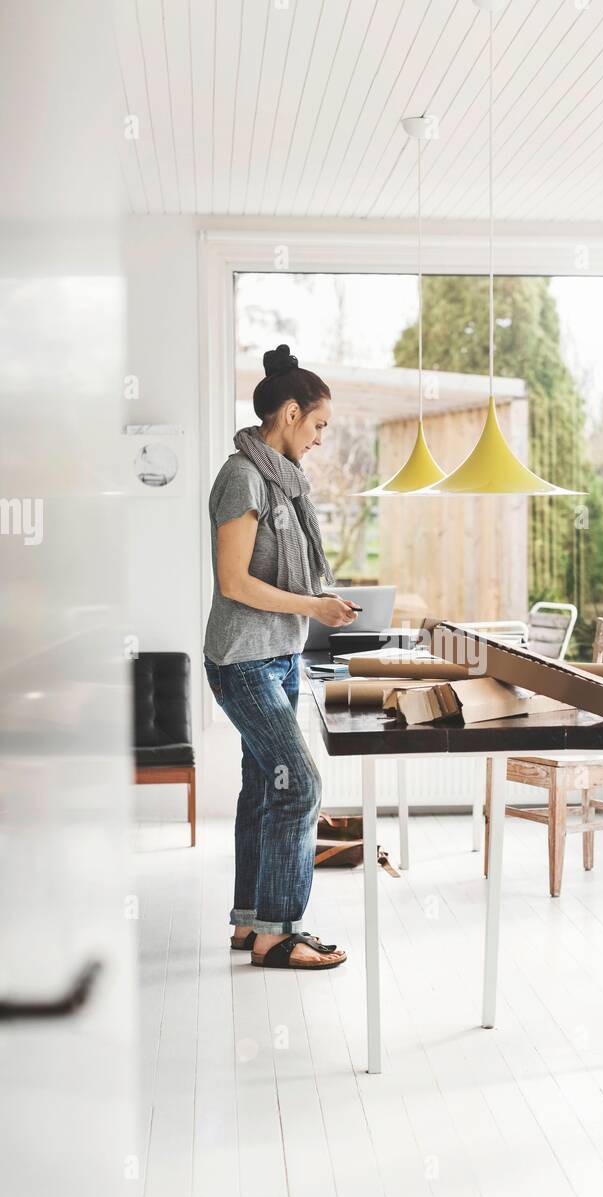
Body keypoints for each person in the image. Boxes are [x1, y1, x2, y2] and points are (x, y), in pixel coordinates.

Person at [203, 344, 357, 969]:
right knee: (301, 787)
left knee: (265, 788)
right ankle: (279, 933)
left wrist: (316, 603)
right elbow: (233, 582)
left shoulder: (284, 481)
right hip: (243, 661)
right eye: (319, 424)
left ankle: (249, 925)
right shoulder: (241, 476)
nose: (321, 438)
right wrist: (311, 607)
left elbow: (281, 576)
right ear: (290, 414)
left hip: (281, 656)